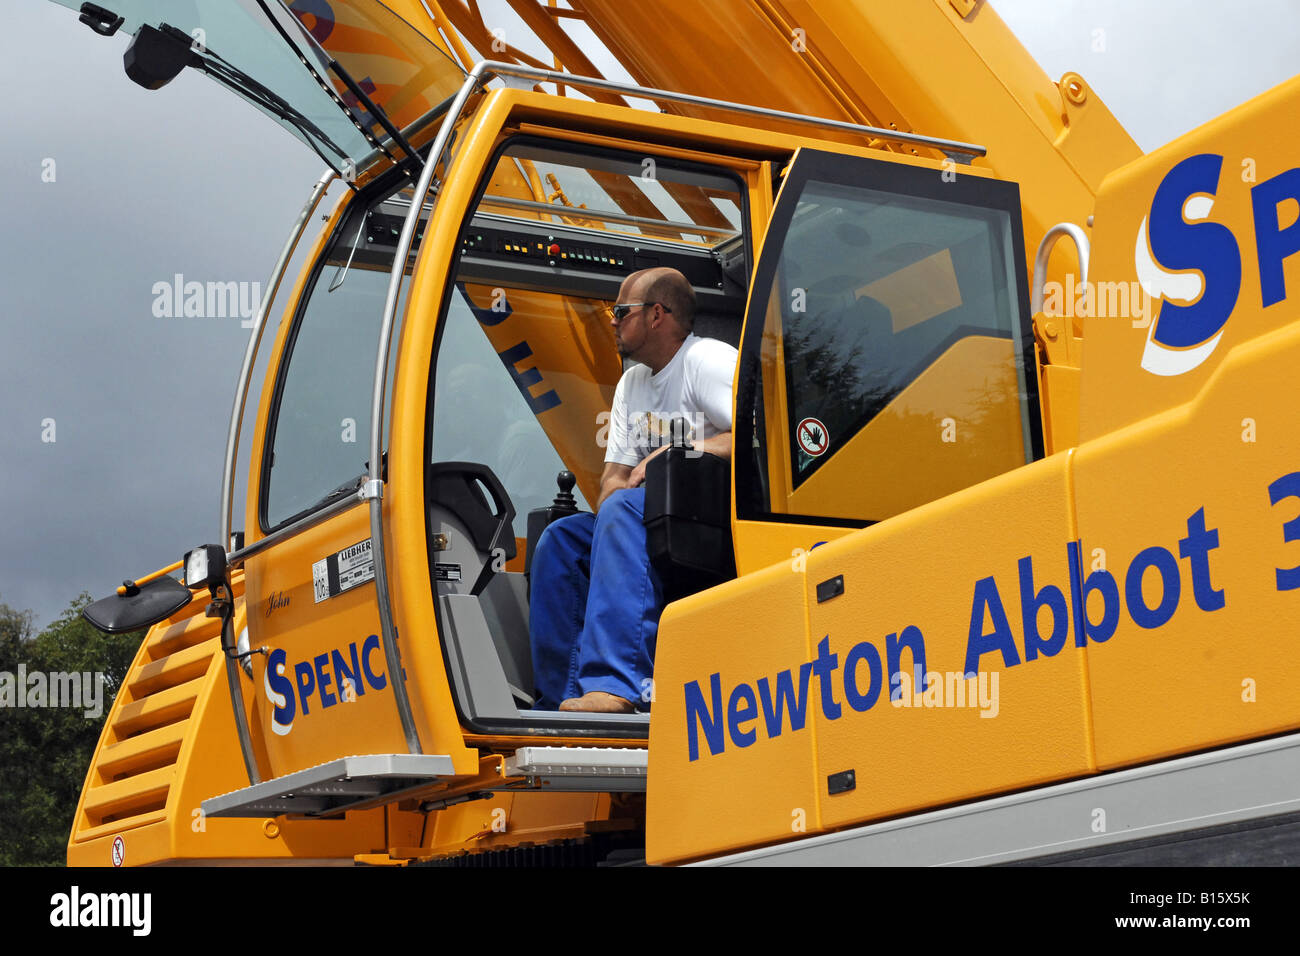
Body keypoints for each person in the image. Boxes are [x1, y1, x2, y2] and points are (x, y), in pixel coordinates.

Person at [529, 267, 737, 712]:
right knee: (563, 539)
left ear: (657, 315)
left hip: (711, 525)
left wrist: (674, 454)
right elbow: (614, 476)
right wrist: (610, 504)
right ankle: (560, 698)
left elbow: (758, 436)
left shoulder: (709, 362)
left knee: (624, 510)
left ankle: (618, 686)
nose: (612, 320)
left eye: (621, 311)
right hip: (649, 518)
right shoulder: (631, 383)